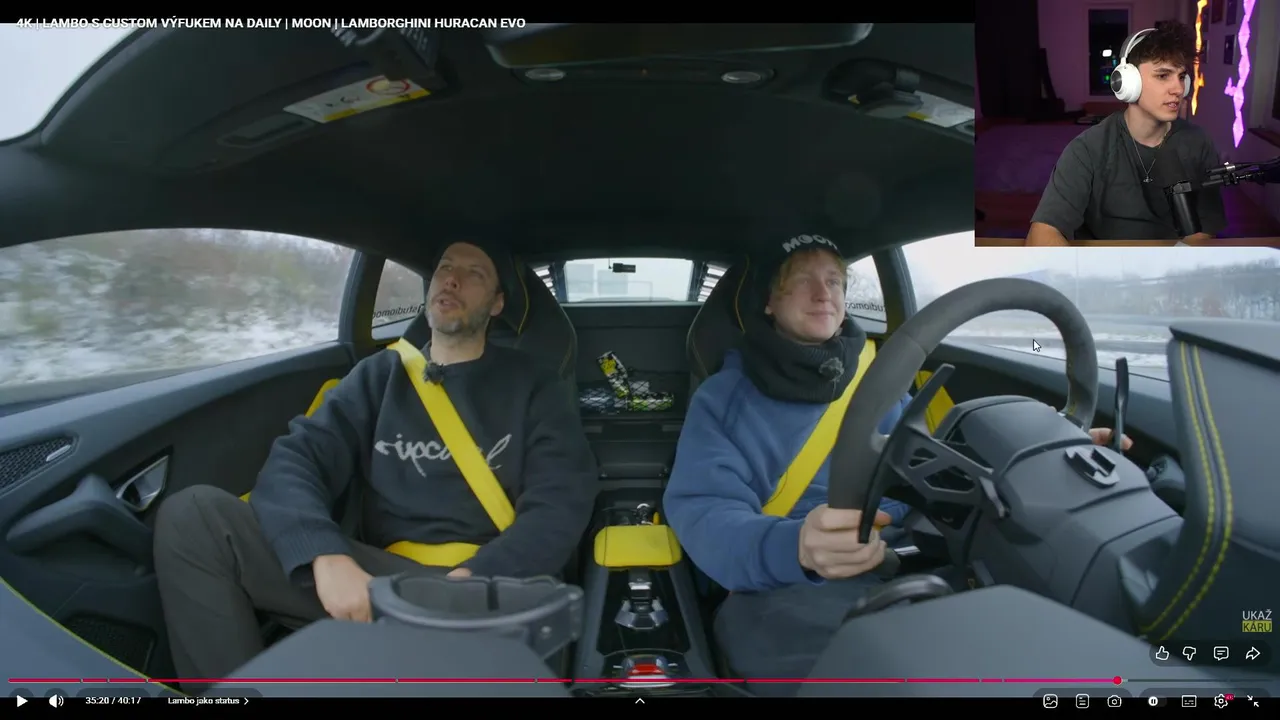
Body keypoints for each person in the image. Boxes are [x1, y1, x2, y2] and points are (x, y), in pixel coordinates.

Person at [662, 233, 1132, 692]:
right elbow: (704, 512)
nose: (823, 293)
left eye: (833, 280)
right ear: (769, 301)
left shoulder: (876, 374)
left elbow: (932, 463)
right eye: (801, 280)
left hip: (913, 556)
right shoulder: (725, 398)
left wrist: (1043, 453)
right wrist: (796, 547)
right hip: (788, 582)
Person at [153, 240, 597, 692]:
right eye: (444, 268)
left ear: (497, 303)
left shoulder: (534, 384)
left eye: (474, 273)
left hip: (485, 586)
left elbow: (559, 504)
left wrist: (469, 584)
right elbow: (297, 458)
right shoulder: (379, 375)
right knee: (195, 518)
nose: (452, 280)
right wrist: (325, 556)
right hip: (375, 583)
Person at [1026, 21, 1226, 245]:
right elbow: (1043, 233)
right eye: (1163, 76)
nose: (1178, 89)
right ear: (1128, 82)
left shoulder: (1199, 143)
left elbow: (1205, 229)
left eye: (1181, 77)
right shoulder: (1088, 149)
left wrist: (1175, 261)